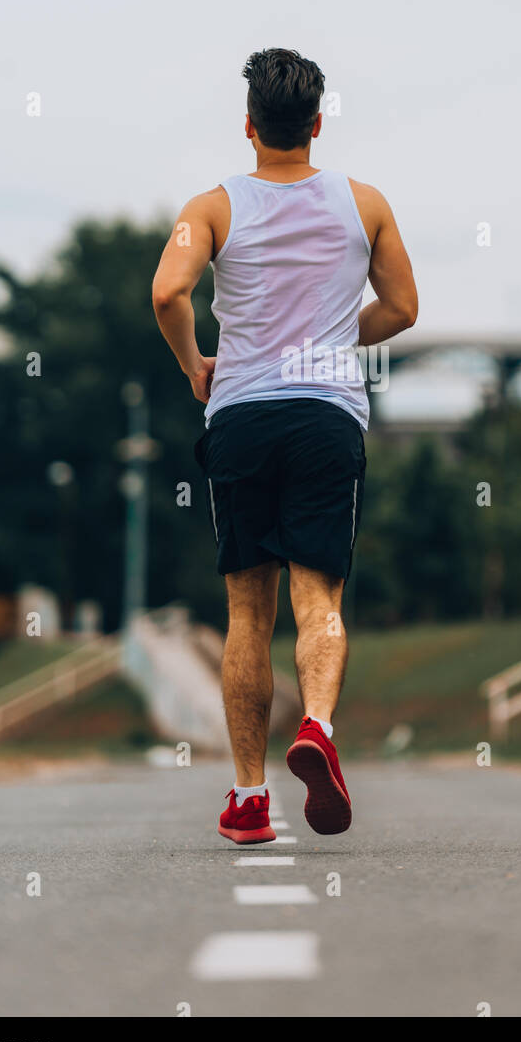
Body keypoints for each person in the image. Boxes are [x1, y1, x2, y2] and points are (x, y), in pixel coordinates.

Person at [152, 47, 418, 842]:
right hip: (325, 417)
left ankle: (247, 796)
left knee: (245, 612)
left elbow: (168, 291)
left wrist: (196, 363)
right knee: (319, 601)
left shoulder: (212, 206)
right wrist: (336, 337)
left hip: (240, 417)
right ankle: (319, 730)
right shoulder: (363, 202)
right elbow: (402, 308)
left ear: (248, 126)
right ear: (316, 122)